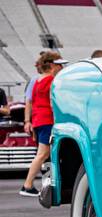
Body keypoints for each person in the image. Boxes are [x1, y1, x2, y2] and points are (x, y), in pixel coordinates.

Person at [19, 54, 64, 197]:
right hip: (47, 120)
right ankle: (27, 185)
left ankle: (47, 184)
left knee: (48, 155)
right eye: (59, 64)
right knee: (42, 154)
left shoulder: (38, 81)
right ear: (52, 65)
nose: (62, 68)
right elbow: (52, 102)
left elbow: (31, 102)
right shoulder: (51, 80)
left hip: (39, 120)